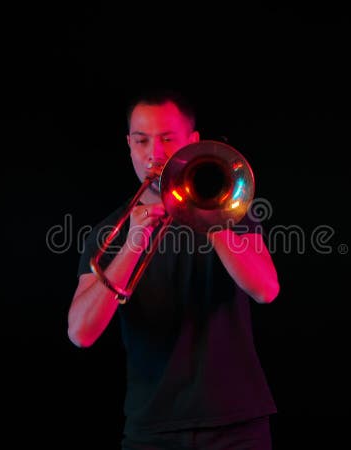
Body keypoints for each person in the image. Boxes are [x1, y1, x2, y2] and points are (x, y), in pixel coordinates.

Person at [68, 89, 280, 449]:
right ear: (129, 146)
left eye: (168, 139)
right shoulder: (108, 232)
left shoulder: (230, 212)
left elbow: (266, 290)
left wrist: (208, 215)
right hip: (151, 429)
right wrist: (134, 241)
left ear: (193, 143)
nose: (155, 153)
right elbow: (80, 333)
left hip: (236, 423)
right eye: (142, 140)